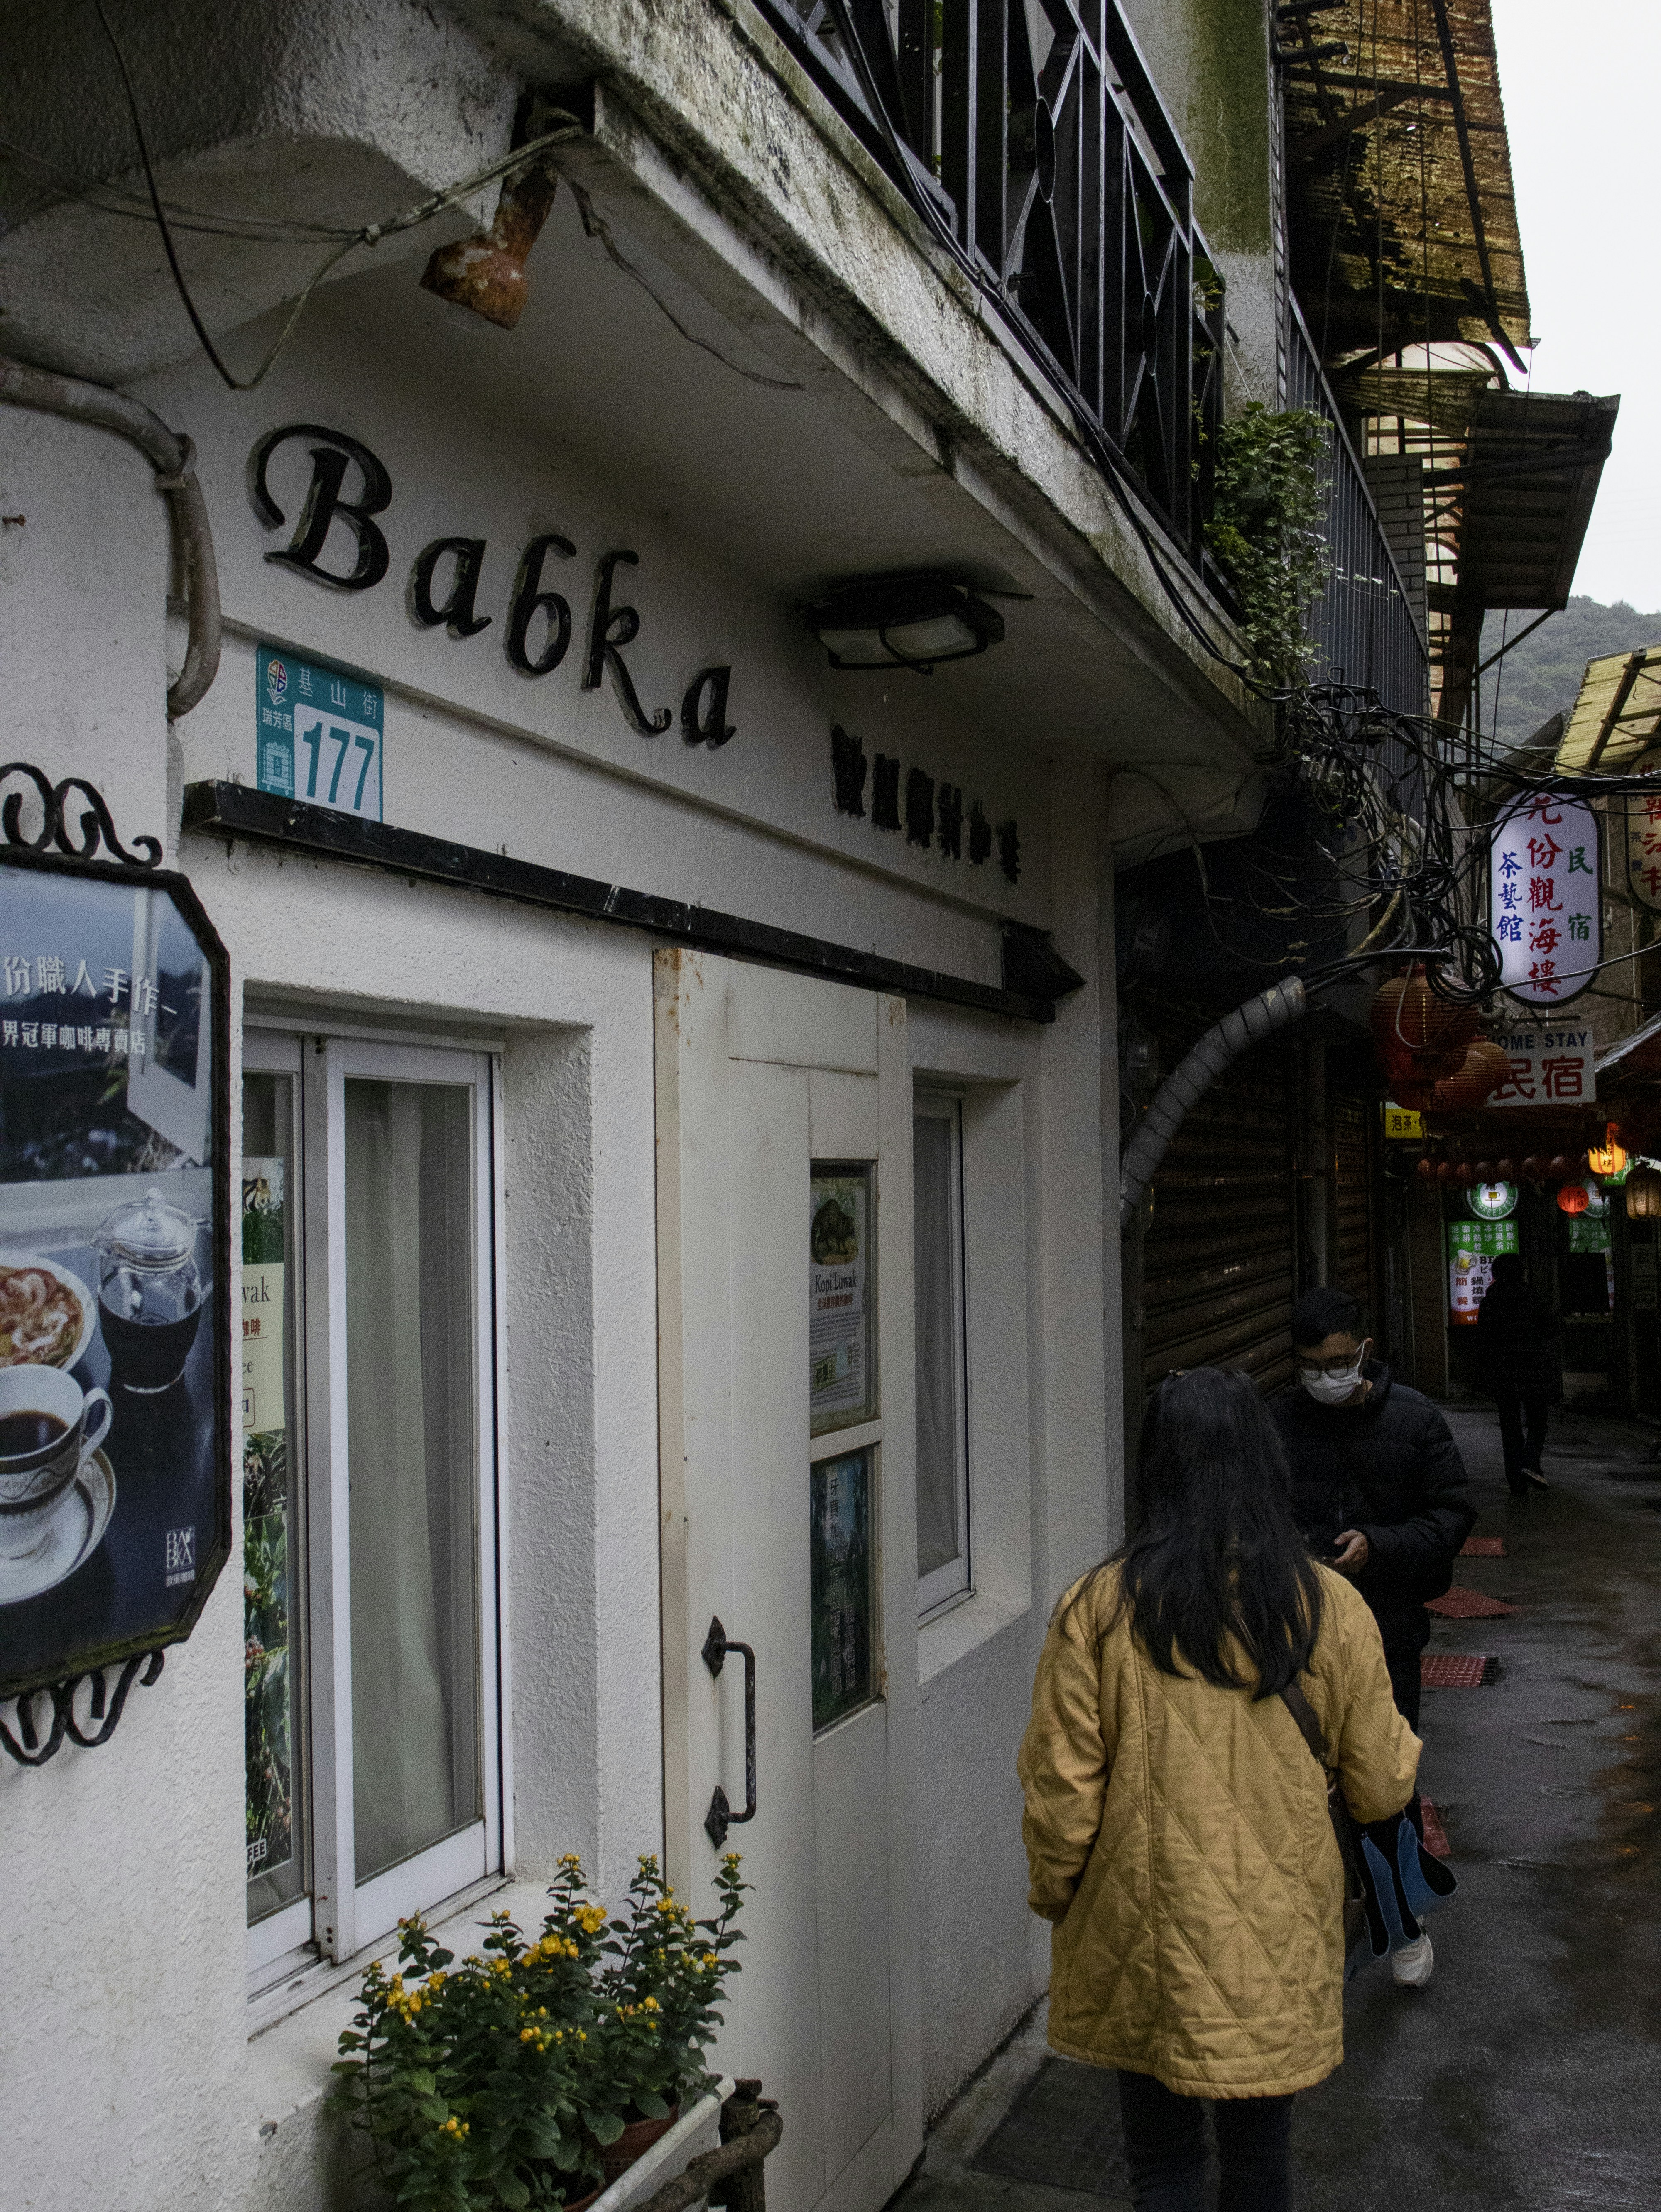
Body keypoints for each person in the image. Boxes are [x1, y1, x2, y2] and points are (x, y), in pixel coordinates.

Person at [1019, 1368, 1418, 2212]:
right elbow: (1382, 1785)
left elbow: (1061, 1788)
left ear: (1154, 1469)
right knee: (1258, 2163)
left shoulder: (1095, 1609)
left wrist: (1060, 1896)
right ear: (1261, 1462)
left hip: (1139, 1920)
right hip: (1276, 1920)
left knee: (1159, 2165)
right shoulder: (1327, 1607)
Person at [1269, 1284, 1474, 1989]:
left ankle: (1404, 1922)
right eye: (1308, 1364)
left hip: (1386, 1634)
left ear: (1363, 1350)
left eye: (1334, 1360)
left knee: (1385, 1783)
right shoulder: (1277, 1423)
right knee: (1293, 1787)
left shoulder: (1415, 1419)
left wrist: (1378, 1547)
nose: (1322, 1376)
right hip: (1297, 1638)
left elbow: (1451, 1517)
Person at [1475, 1252, 1556, 1494]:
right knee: (1538, 1421)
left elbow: (1483, 1339)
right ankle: (1531, 1462)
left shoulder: (1490, 1302)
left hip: (1503, 1372)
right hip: (1533, 1368)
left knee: (1510, 1427)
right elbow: (1550, 1329)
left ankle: (1516, 1482)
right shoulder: (1534, 1297)